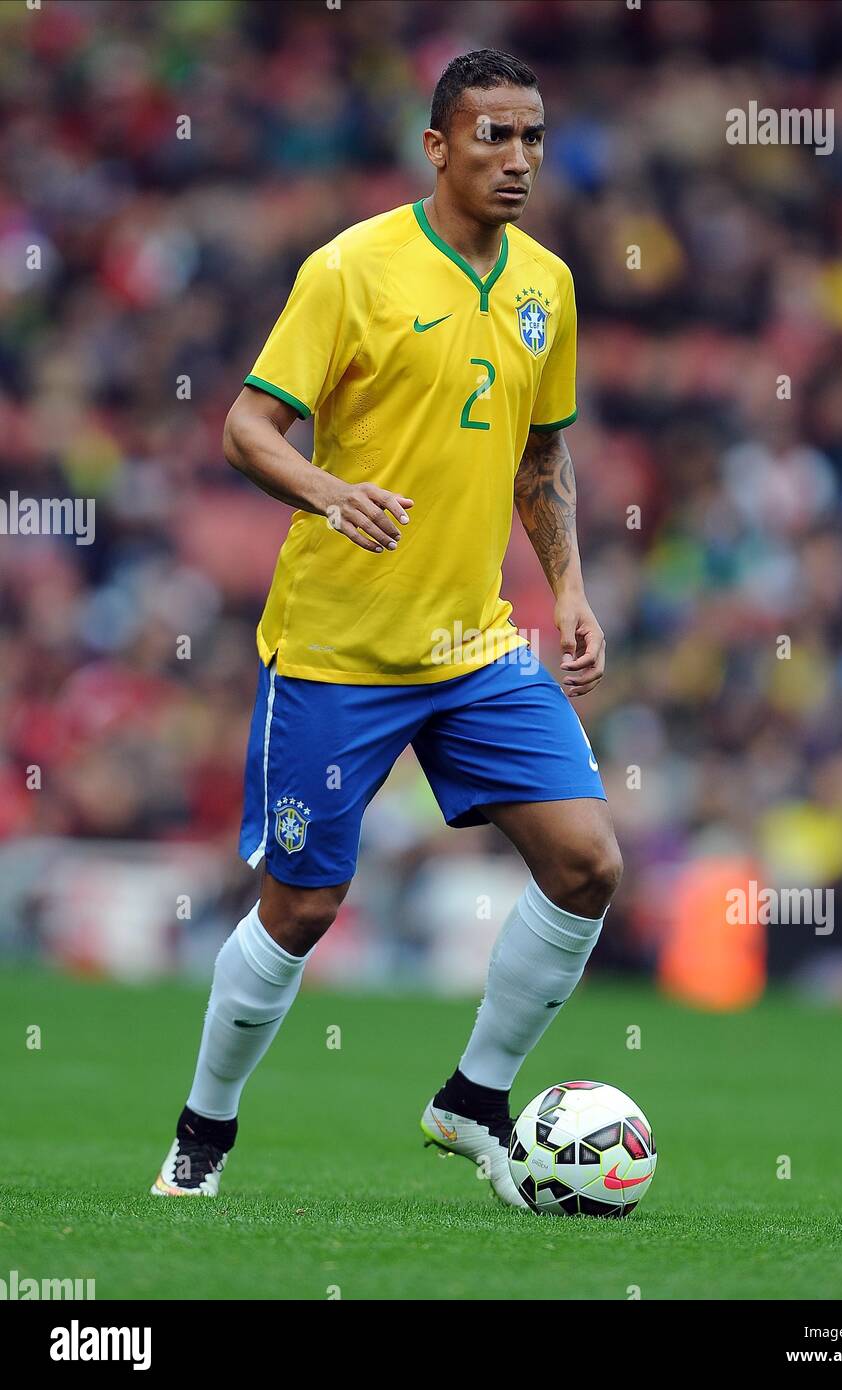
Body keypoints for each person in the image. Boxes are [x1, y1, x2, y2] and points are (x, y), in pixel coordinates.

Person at [151, 49, 622, 1207]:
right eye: (491, 137)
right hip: (338, 649)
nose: (515, 160)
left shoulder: (545, 285)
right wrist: (326, 490)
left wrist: (566, 589)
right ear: (437, 146)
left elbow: (542, 453)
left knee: (587, 863)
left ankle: (471, 1098)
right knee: (303, 904)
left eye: (531, 138)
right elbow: (247, 428)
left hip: (471, 644)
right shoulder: (351, 267)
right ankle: (203, 1129)